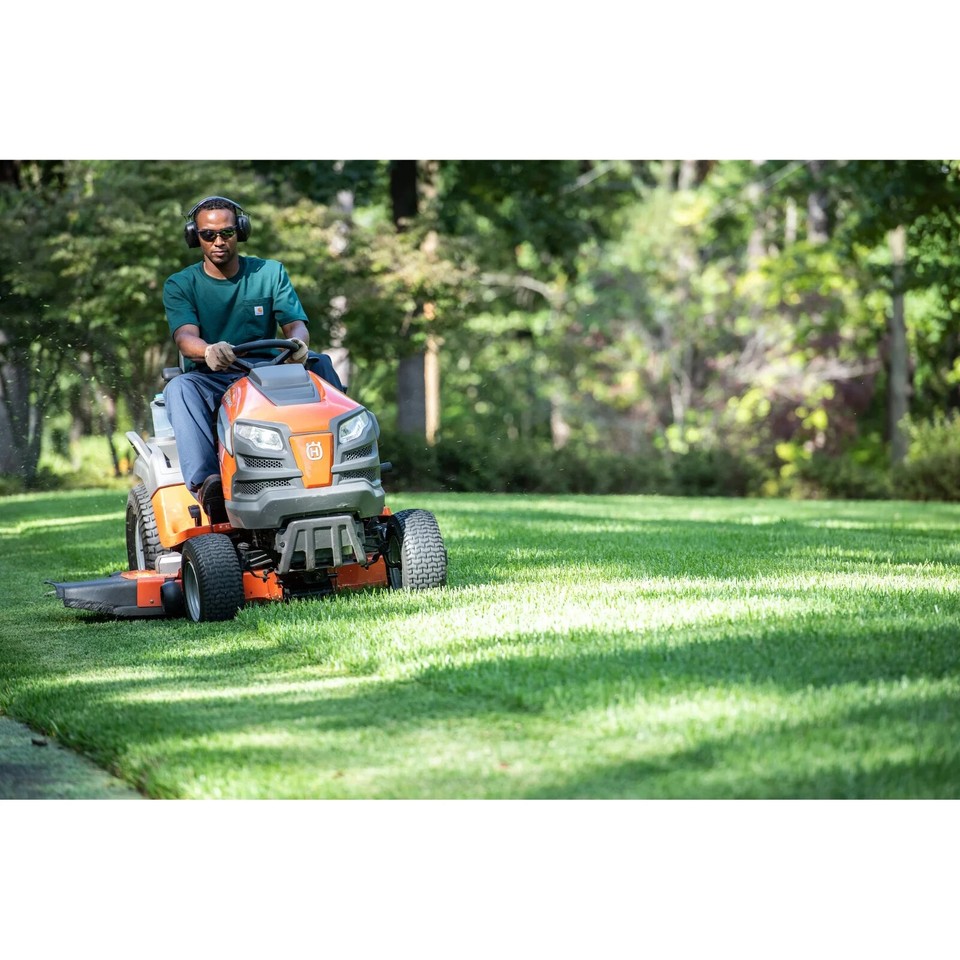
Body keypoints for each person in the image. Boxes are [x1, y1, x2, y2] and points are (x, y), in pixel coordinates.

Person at [162, 195, 343, 510]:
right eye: (208, 235)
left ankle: (346, 457)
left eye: (227, 233)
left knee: (321, 364)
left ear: (240, 232)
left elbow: (295, 326)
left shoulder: (269, 273)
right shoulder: (181, 284)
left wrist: (300, 344)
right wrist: (208, 351)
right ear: (195, 237)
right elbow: (185, 337)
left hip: (272, 370)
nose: (219, 241)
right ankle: (209, 485)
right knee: (179, 387)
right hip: (214, 377)